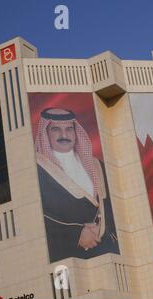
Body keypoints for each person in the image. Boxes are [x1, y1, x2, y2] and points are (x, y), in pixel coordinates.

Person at [35, 108, 119, 262]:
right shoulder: (36, 169)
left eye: (69, 129)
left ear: (76, 132)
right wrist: (76, 235)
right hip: (67, 257)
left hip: (106, 250)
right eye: (56, 130)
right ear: (45, 133)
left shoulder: (97, 165)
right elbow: (34, 218)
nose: (64, 135)